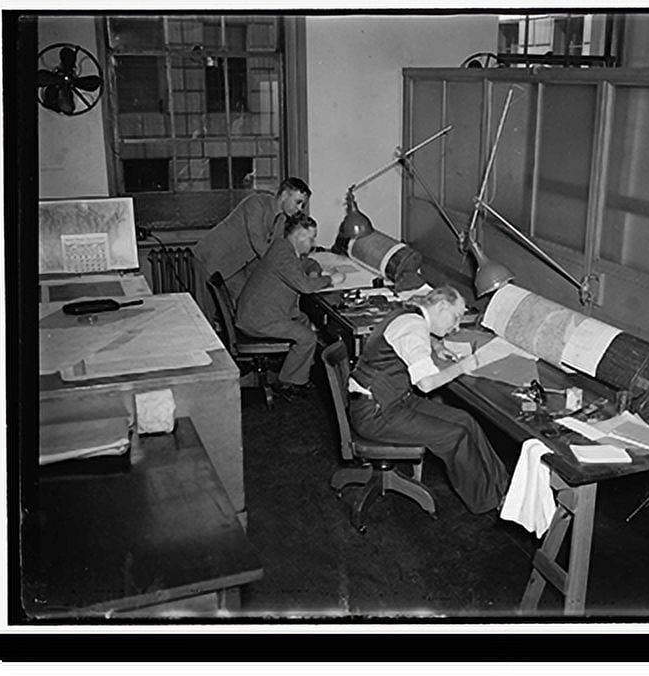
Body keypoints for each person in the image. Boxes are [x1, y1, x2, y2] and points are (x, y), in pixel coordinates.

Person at [347, 285, 509, 514]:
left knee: (465, 420)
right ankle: (489, 502)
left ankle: (502, 486)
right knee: (455, 436)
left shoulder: (409, 313)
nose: (455, 327)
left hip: (391, 399)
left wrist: (436, 346)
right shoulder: (414, 326)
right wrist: (465, 366)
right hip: (376, 413)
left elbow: (405, 338)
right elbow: (426, 384)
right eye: (455, 317)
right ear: (442, 306)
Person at [236, 214, 345, 395]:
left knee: (303, 319)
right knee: (308, 338)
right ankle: (288, 383)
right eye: (310, 238)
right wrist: (331, 279)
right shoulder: (283, 256)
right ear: (298, 237)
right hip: (259, 320)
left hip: (260, 312)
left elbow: (306, 263)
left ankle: (301, 370)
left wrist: (314, 272)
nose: (312, 242)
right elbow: (305, 287)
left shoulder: (282, 247)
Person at [193, 177, 313, 305]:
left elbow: (277, 249)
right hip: (210, 259)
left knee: (243, 303)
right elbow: (259, 244)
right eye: (298, 202)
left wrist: (299, 265)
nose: (300, 208)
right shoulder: (256, 203)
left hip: (234, 267)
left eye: (303, 204)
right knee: (203, 312)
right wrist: (288, 269)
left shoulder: (281, 220)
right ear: (284, 195)